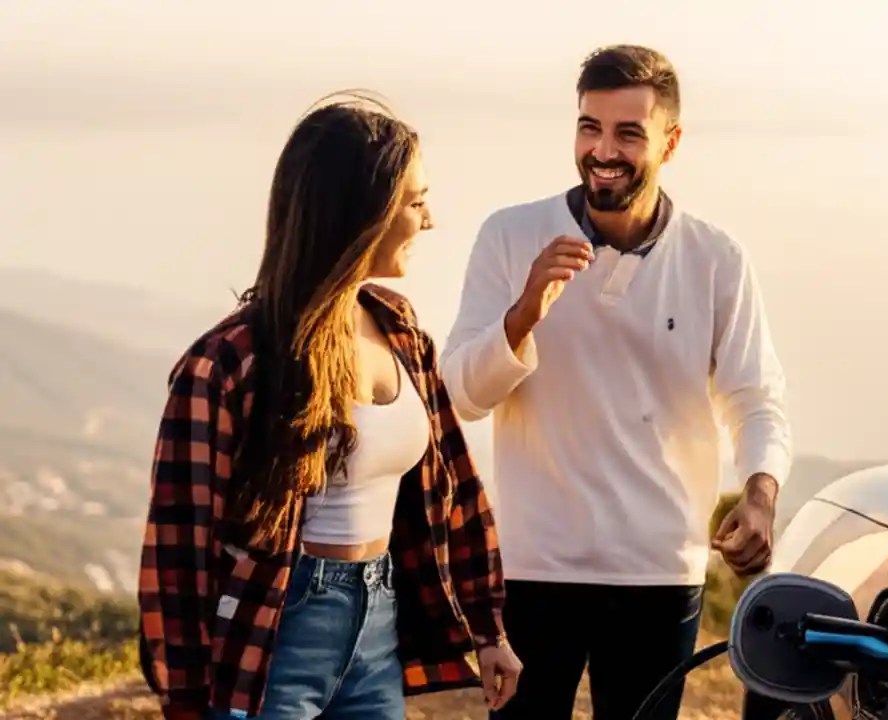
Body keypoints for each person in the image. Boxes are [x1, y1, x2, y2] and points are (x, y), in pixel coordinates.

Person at [136, 92, 522, 720]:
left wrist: (489, 629)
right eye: (416, 202)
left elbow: (455, 490)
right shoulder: (229, 364)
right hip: (276, 635)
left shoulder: (401, 332)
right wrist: (184, 698)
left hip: (379, 625)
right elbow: (178, 550)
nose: (430, 221)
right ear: (362, 214)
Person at [441, 45, 793, 720]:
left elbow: (756, 398)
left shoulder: (716, 259)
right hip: (532, 564)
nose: (603, 150)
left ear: (671, 142)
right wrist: (522, 316)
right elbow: (461, 394)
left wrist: (760, 492)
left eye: (628, 133)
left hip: (658, 571)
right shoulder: (510, 237)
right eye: (589, 127)